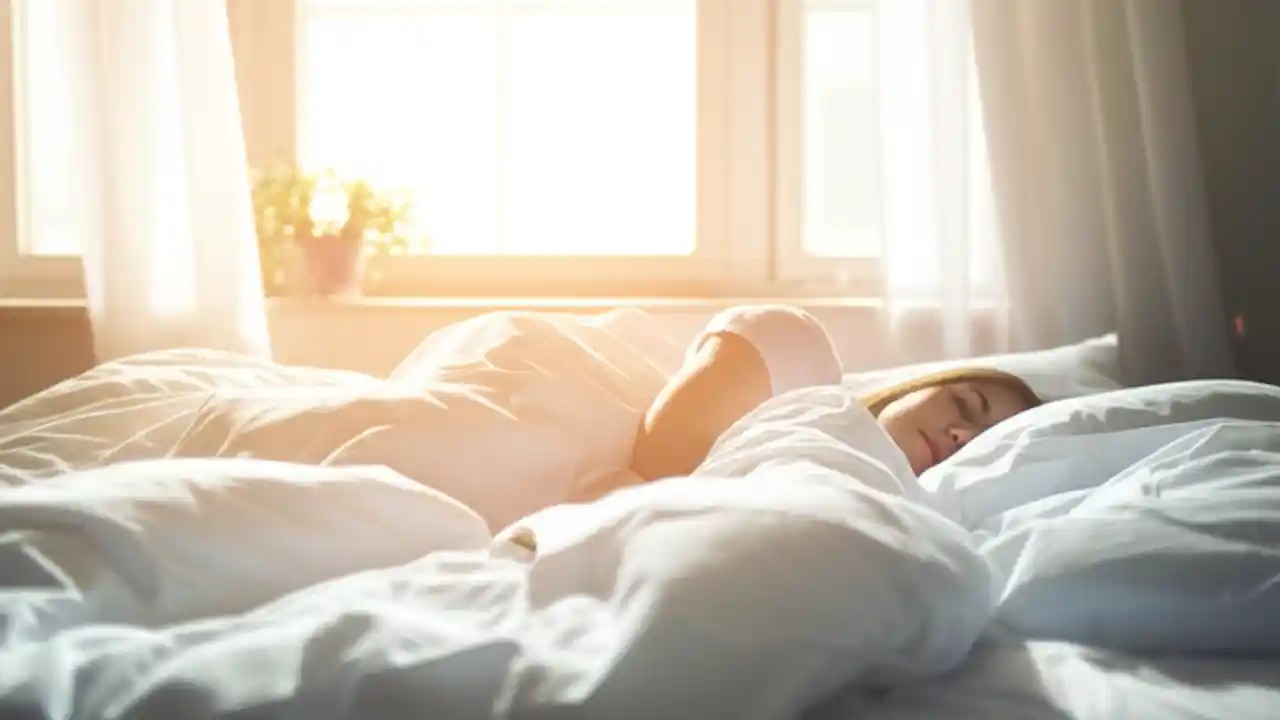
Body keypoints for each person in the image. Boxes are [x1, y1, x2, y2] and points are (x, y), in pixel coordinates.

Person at [632, 305, 1041, 481]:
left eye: (987, 445)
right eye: (963, 405)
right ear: (918, 388)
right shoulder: (796, 355)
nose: (963, 436)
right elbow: (656, 464)